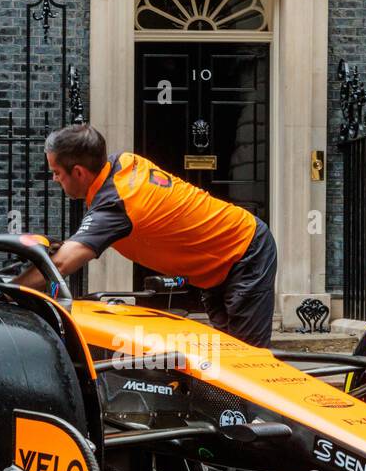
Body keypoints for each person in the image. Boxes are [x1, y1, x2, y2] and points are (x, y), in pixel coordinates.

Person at [17, 123, 278, 348]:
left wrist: (5, 292)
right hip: (218, 260)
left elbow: (61, 263)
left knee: (248, 361)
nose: (53, 179)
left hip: (244, 250)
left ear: (79, 173)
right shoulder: (123, 163)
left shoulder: (118, 203)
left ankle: (264, 408)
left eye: (56, 173)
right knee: (229, 354)